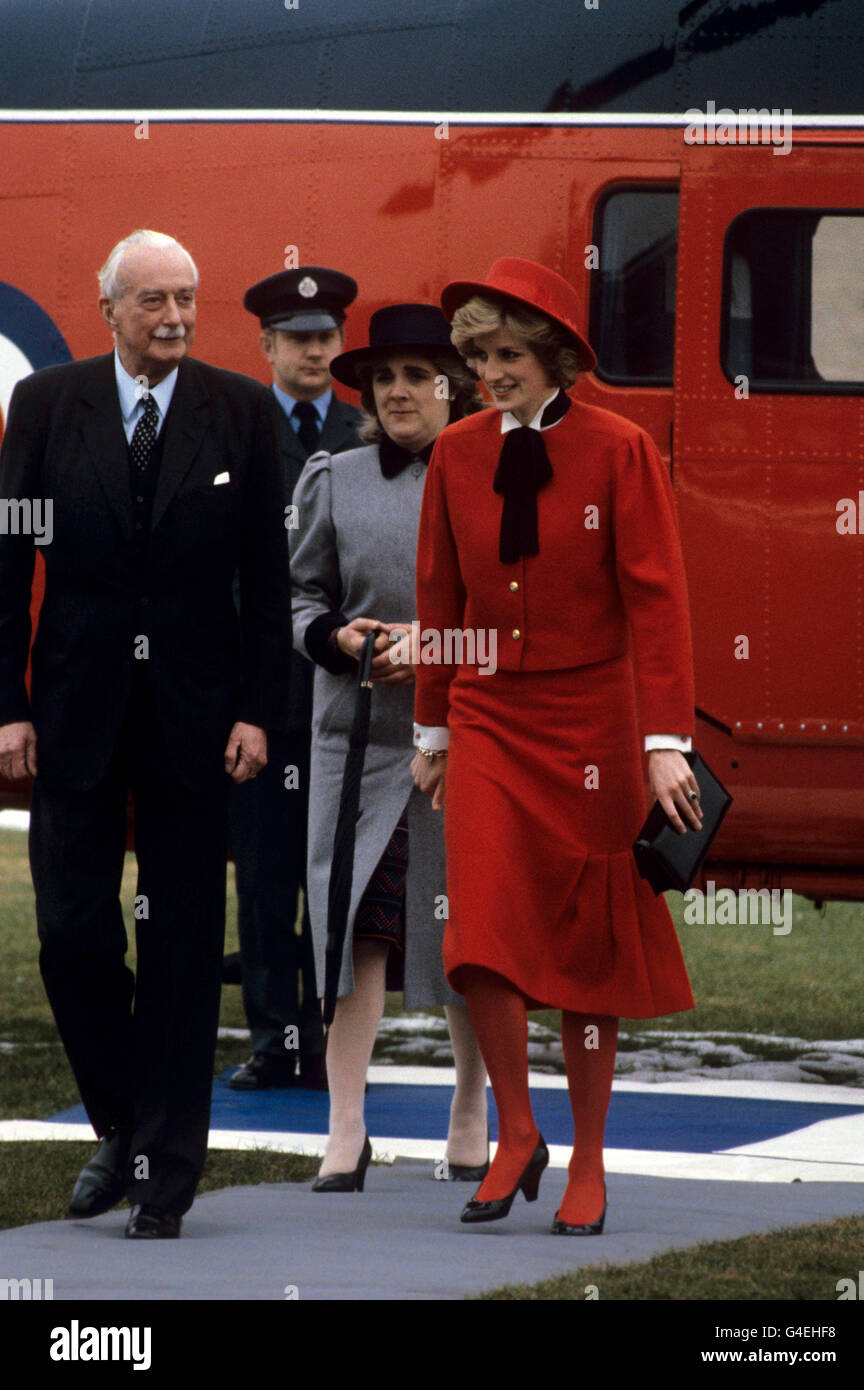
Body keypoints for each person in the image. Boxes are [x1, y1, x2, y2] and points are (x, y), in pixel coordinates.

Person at [0, 229, 290, 1238]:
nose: (174, 317)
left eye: (187, 299)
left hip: (196, 720)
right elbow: (9, 567)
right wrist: (7, 702)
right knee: (72, 933)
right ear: (108, 307)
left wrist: (258, 708)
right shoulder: (45, 407)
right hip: (73, 709)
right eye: (154, 300)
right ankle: (122, 1121)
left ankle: (168, 1172)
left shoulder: (242, 415)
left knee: (174, 946)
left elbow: (269, 579)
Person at [412, 258, 701, 1233]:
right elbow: (438, 595)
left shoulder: (621, 450)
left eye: (507, 355)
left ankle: (585, 1156)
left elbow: (657, 600)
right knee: (481, 931)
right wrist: (434, 723)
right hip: (490, 713)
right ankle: (516, 1131)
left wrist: (664, 742)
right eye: (479, 356)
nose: (489, 372)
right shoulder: (454, 454)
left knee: (586, 945)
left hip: (597, 721)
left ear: (554, 359)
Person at [290, 304, 488, 1190]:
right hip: (354, 745)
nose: (399, 391)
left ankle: (472, 1111)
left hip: (468, 742)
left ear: (457, 384)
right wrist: (336, 638)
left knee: (466, 932)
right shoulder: (333, 477)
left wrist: (436, 651)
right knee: (352, 936)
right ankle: (345, 1129)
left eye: (419, 374)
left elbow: (519, 618)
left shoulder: (495, 477)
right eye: (384, 378)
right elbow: (296, 601)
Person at [229, 266, 363, 1092]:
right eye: (298, 339)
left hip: (345, 691)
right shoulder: (234, 429)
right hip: (260, 691)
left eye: (325, 338)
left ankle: (330, 1042)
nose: (314, 351)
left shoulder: (366, 433)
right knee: (267, 869)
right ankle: (273, 1037)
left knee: (335, 875)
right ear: (267, 346)